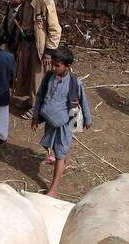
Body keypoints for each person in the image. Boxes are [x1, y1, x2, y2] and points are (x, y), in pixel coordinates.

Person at [31, 47, 92, 197]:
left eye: (57, 65)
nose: (53, 67)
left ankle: (53, 190)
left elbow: (83, 100)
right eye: (52, 64)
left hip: (64, 125)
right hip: (50, 122)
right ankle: (61, 156)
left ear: (67, 66)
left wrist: (88, 119)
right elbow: (39, 97)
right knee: (54, 147)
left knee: (60, 154)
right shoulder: (48, 78)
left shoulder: (74, 82)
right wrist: (35, 117)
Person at [6, 0, 62, 120]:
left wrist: (49, 52)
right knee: (27, 74)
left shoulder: (44, 0)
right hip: (26, 44)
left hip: (40, 47)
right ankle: (30, 101)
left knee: (38, 77)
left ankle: (37, 106)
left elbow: (55, 29)